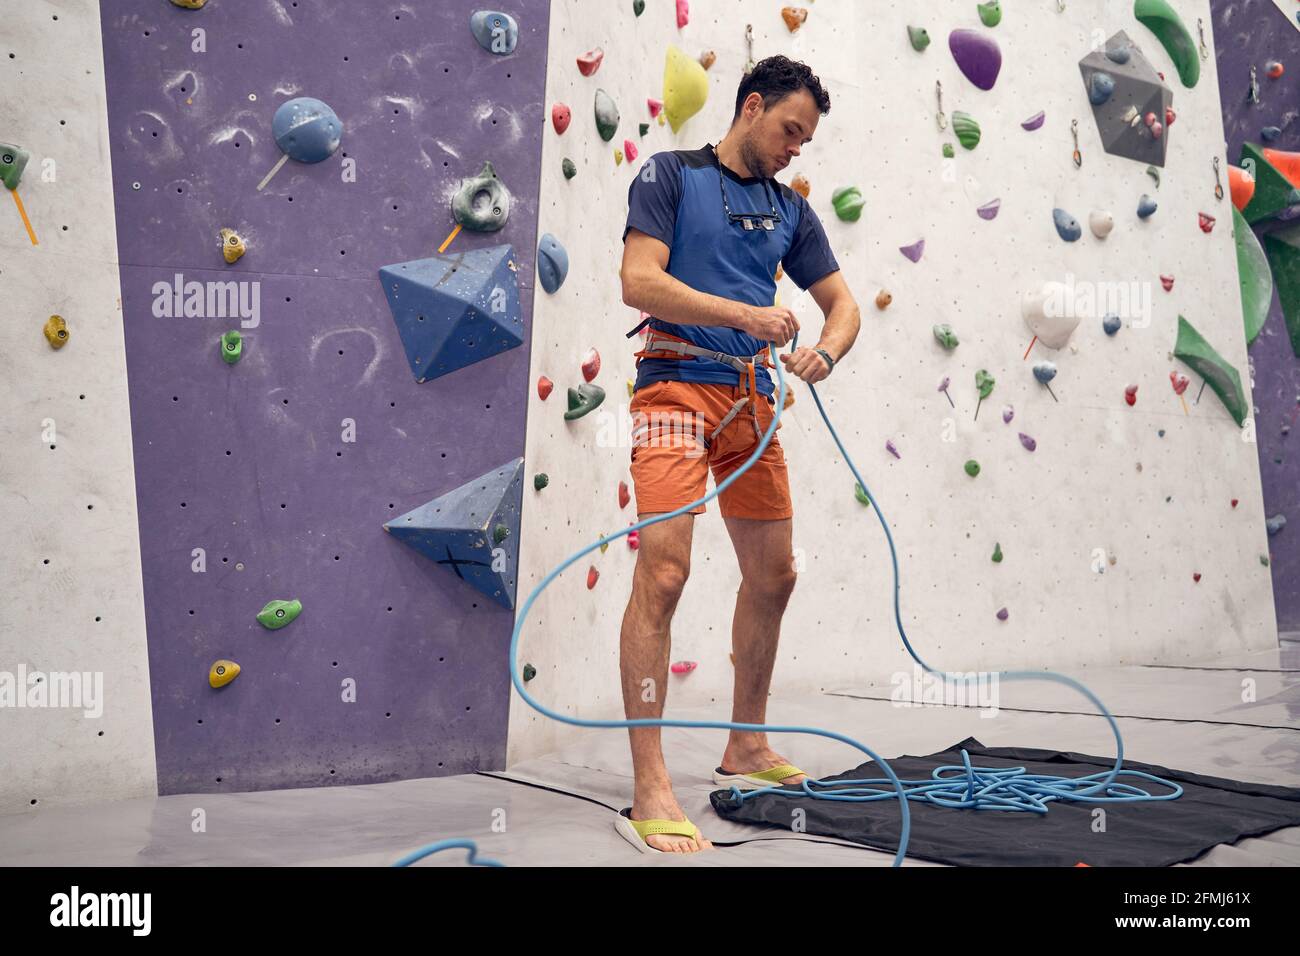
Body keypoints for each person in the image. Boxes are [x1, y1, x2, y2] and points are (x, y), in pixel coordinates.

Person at [614, 55, 861, 853]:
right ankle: (650, 785)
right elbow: (637, 281)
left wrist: (828, 350)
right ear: (751, 107)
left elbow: (844, 305)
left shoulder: (792, 209)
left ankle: (745, 744)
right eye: (790, 129)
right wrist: (745, 314)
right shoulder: (668, 175)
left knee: (775, 574)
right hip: (673, 392)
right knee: (663, 571)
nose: (797, 148)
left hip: (753, 404)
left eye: (807, 138)